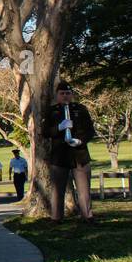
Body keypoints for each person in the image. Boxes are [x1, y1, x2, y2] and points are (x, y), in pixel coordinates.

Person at [41, 81, 96, 222]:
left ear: (72, 95)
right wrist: (59, 127)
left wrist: (80, 141)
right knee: (57, 191)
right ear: (57, 95)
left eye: (68, 93)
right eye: (62, 93)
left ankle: (87, 216)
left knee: (84, 190)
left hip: (80, 155)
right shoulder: (52, 111)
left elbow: (90, 131)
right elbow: (45, 132)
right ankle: (56, 218)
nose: (65, 96)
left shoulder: (80, 109)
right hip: (59, 155)